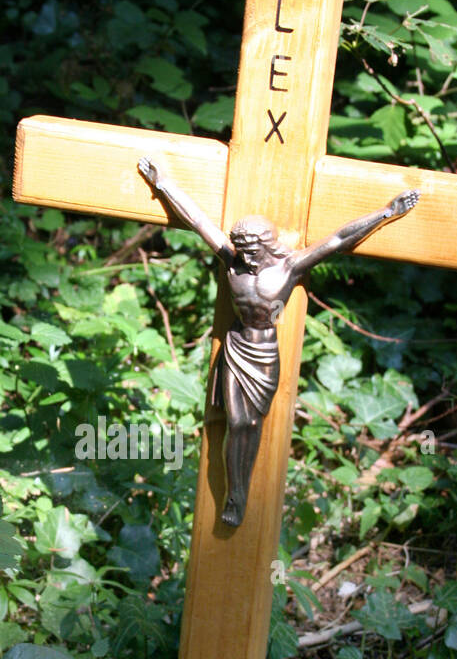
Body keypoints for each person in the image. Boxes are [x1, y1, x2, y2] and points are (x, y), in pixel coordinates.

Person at [138, 156, 419, 526]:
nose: (248, 258)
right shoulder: (232, 262)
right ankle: (234, 495)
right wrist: (163, 184)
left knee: (249, 425)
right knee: (235, 422)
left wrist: (386, 212)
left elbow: (337, 239)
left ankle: (240, 491)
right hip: (236, 347)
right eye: (243, 250)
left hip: (264, 351)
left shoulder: (288, 268)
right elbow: (198, 220)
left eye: (254, 251)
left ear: (268, 246)